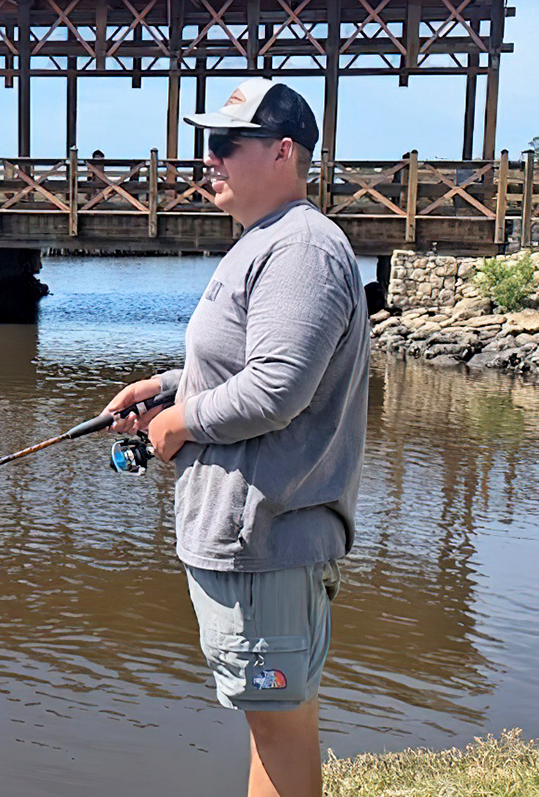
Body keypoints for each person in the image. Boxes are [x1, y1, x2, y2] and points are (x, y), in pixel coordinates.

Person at [105, 77, 370, 797]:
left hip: (265, 543)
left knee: (278, 732)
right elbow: (246, 364)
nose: (209, 159)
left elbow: (276, 388)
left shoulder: (301, 249)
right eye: (208, 144)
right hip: (257, 545)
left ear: (283, 151)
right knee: (278, 725)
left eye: (226, 143)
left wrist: (177, 422)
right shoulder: (267, 242)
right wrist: (167, 387)